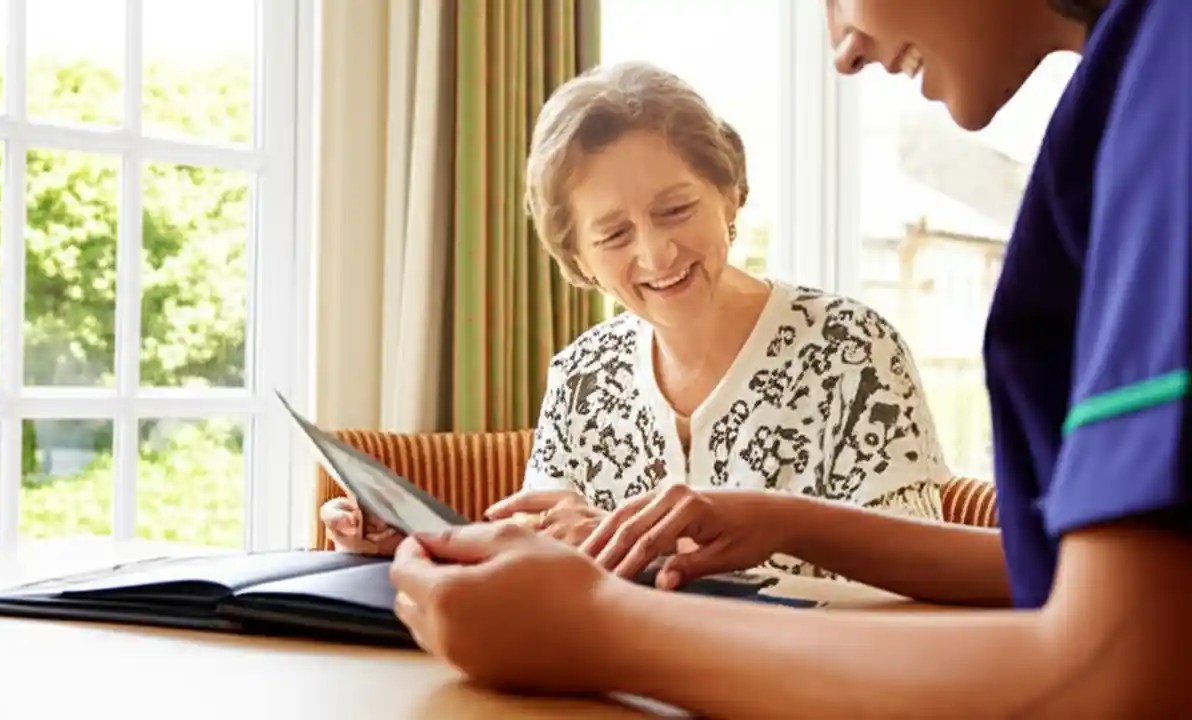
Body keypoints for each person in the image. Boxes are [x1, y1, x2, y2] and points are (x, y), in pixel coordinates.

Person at [387, 0, 1192, 715]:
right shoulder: (1138, 78)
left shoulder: (1170, 71)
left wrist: (599, 626)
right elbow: (1066, 583)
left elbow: (1121, 665)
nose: (841, 47)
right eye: (614, 233)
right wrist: (771, 520)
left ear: (730, 197)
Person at [323, 61, 953, 577]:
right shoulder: (581, 376)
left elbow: (917, 582)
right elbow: (542, 554)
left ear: (730, 192)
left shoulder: (853, 351)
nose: (656, 254)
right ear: (578, 259)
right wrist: (417, 544)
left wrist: (645, 552)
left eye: (676, 210)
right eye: (615, 233)